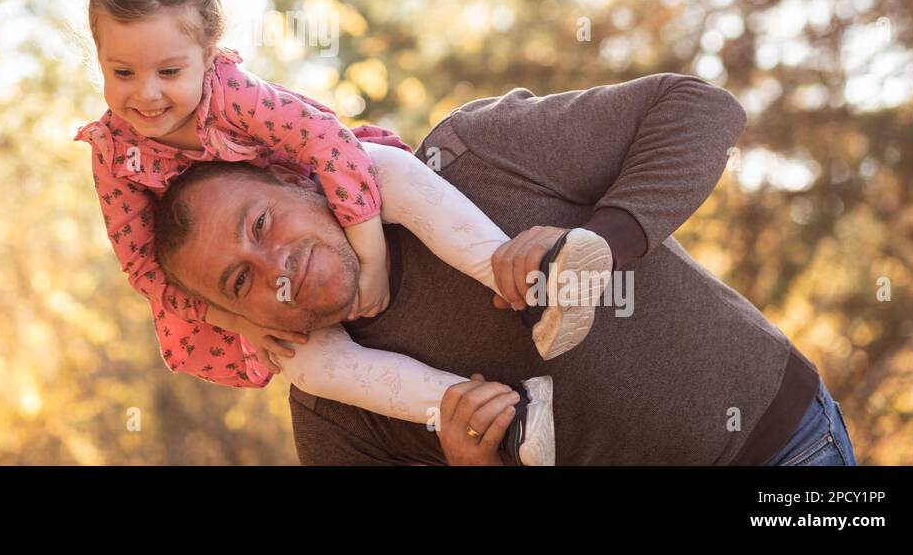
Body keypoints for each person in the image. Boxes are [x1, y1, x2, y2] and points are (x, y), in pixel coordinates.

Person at [152, 72, 859, 465]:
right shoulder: (331, 416)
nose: (276, 266)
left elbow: (701, 110)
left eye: (262, 224)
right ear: (237, 320)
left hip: (786, 448)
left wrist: (600, 241)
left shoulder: (470, 156)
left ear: (303, 179)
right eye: (240, 280)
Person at [74, 0, 612, 465]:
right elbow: (141, 264)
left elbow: (328, 145)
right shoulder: (112, 150)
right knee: (308, 364)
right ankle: (509, 421)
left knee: (389, 168)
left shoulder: (232, 94)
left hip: (322, 191)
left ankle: (530, 282)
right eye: (122, 74)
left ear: (209, 54)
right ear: (99, 60)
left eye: (169, 72)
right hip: (238, 282)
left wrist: (370, 260)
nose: (146, 95)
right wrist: (241, 322)